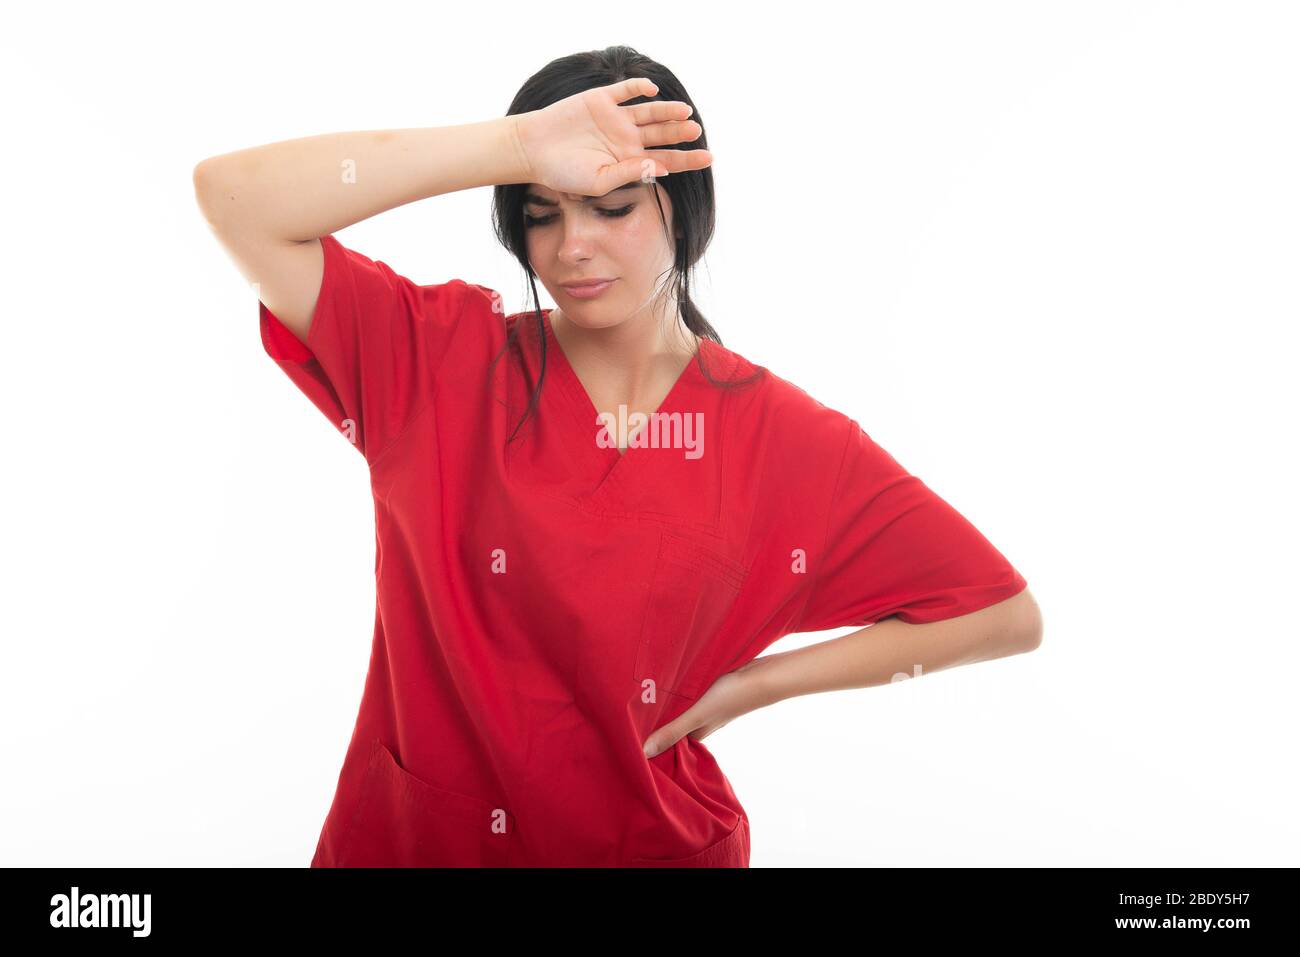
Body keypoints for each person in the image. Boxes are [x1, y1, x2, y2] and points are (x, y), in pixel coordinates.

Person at [193, 45, 1043, 868]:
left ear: (687, 208)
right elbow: (233, 198)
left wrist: (758, 685)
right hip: (421, 838)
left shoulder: (785, 440)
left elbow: (999, 613)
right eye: (541, 212)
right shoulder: (435, 356)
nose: (571, 247)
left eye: (613, 206)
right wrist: (516, 143)